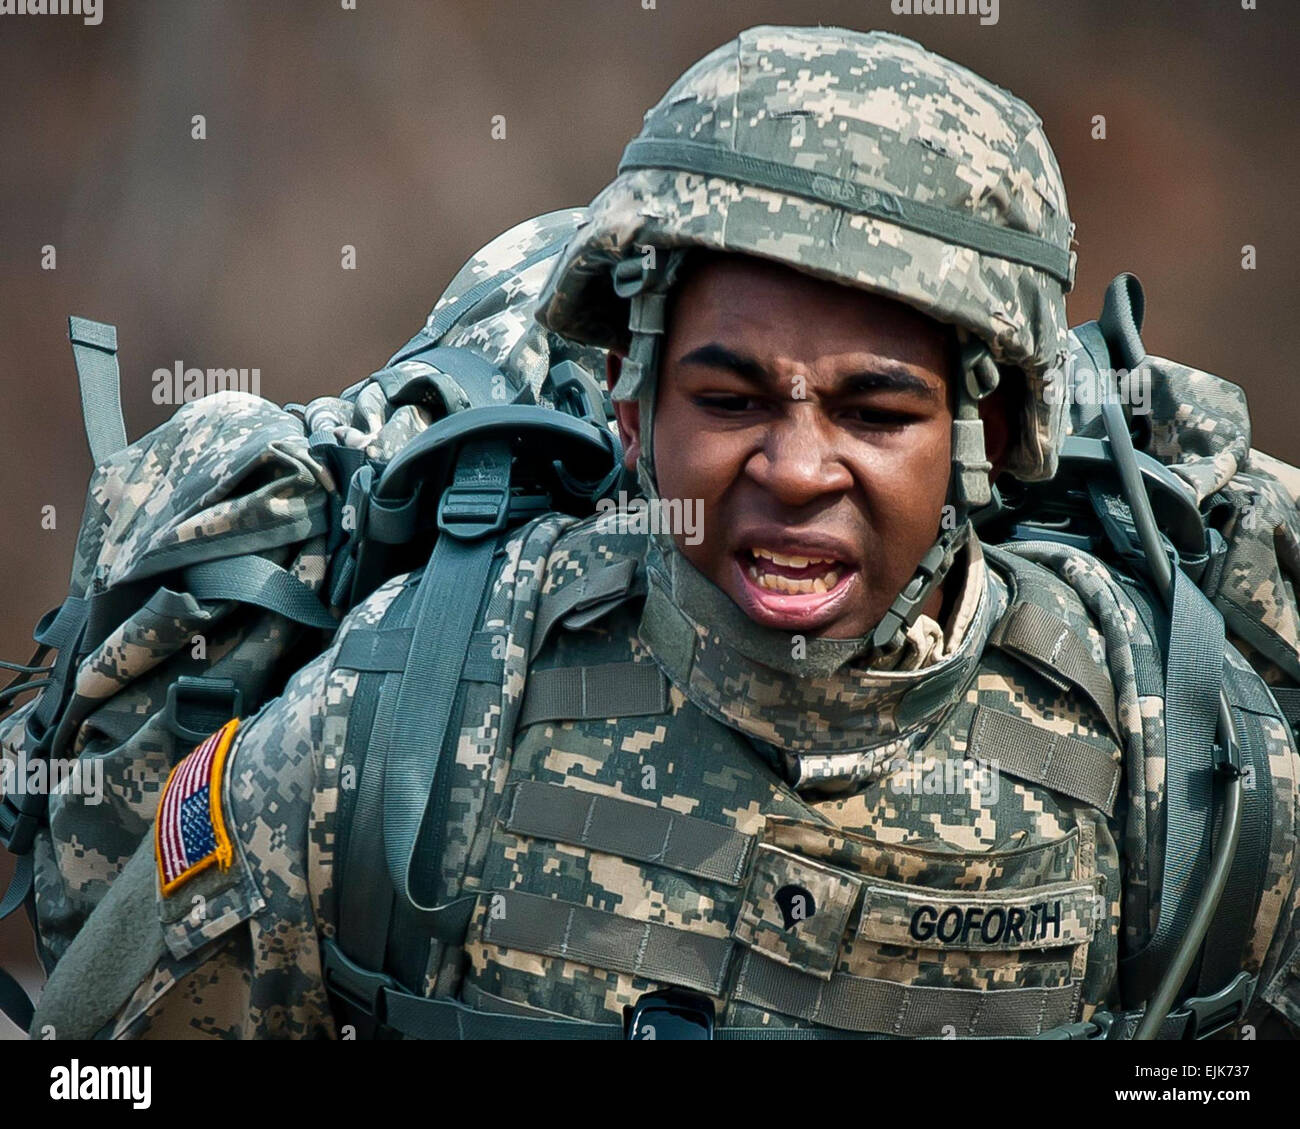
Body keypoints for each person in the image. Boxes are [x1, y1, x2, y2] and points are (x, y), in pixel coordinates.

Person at [29, 25, 1300, 1040]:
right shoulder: (403, 727)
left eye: (875, 411)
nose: (794, 470)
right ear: (633, 407)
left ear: (991, 430)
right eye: (729, 399)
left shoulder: (1186, 780)